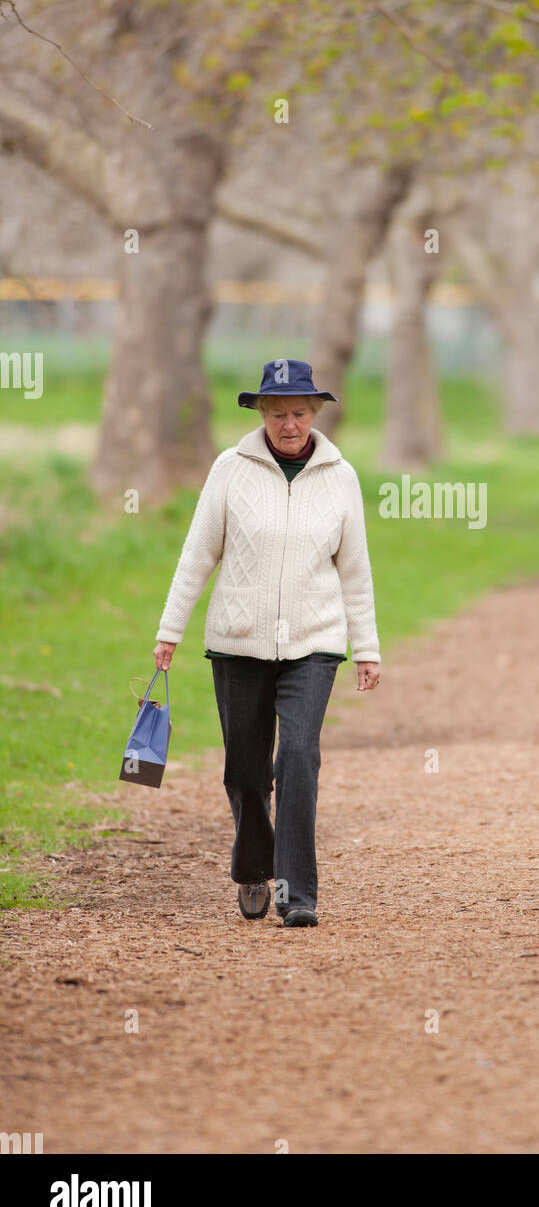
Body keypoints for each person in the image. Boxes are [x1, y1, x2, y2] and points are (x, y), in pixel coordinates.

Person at [153, 359, 381, 928]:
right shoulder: (230, 469)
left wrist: (367, 646)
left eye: (300, 412)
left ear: (316, 413)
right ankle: (254, 867)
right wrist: (169, 631)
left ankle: (296, 891)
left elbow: (354, 570)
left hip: (314, 640)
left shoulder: (340, 476)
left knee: (300, 757)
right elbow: (197, 554)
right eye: (278, 413)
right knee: (246, 770)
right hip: (238, 641)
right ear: (261, 413)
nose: (289, 423)